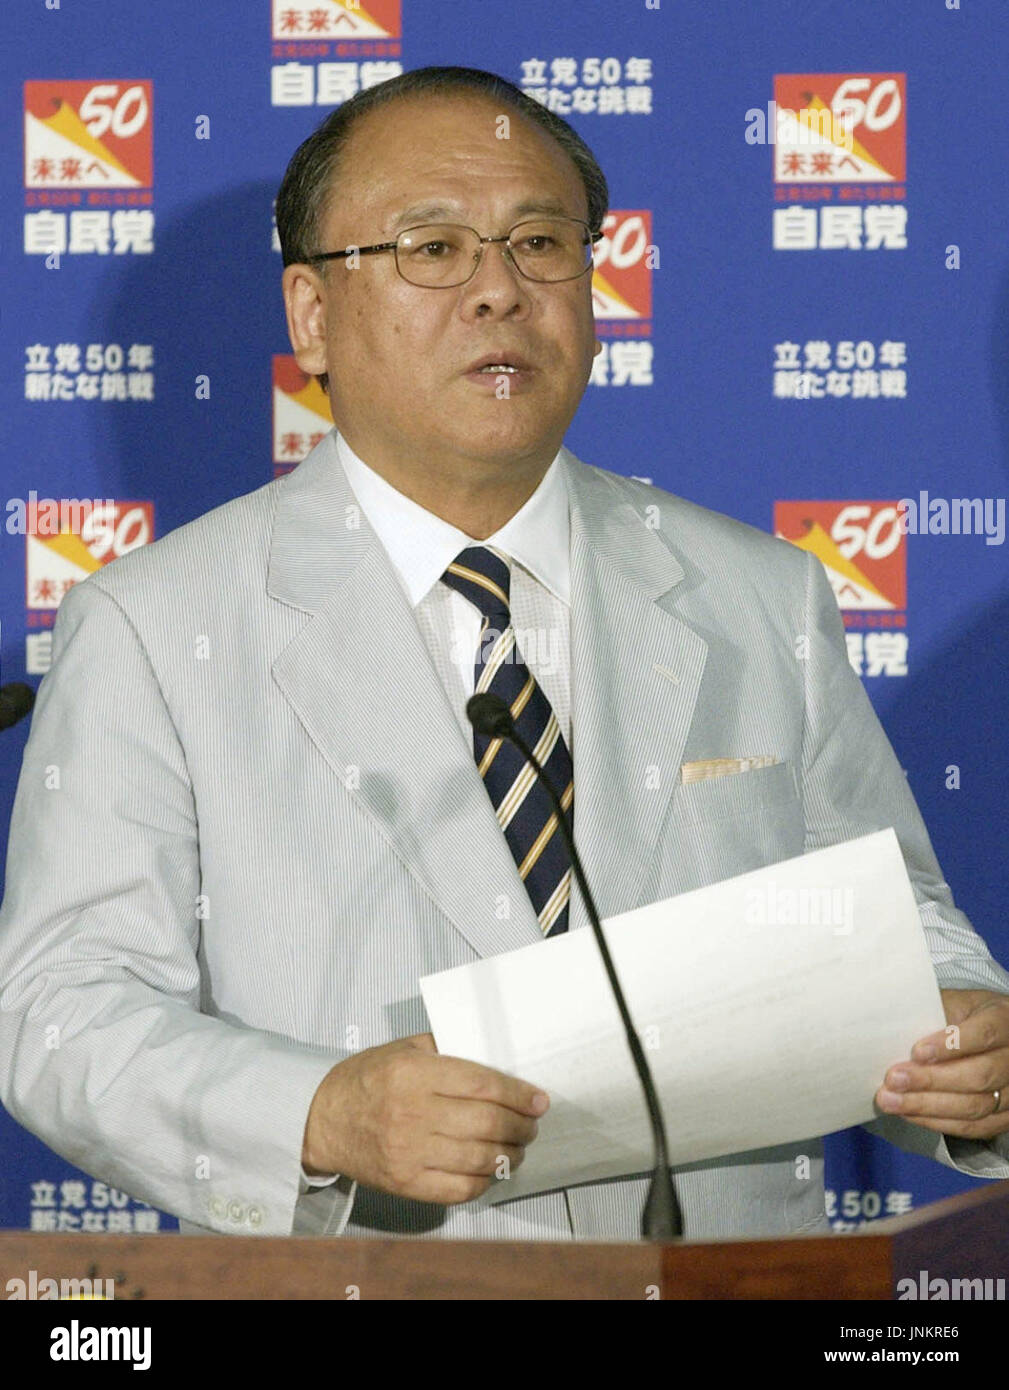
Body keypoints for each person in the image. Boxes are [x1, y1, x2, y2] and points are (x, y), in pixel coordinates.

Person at [1, 67, 1007, 1244]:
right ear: (311, 316)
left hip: (730, 1287)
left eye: (539, 242)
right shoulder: (154, 623)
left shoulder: (757, 592)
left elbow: (890, 916)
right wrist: (319, 1111)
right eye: (431, 248)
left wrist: (965, 1032)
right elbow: (60, 1012)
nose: (497, 292)